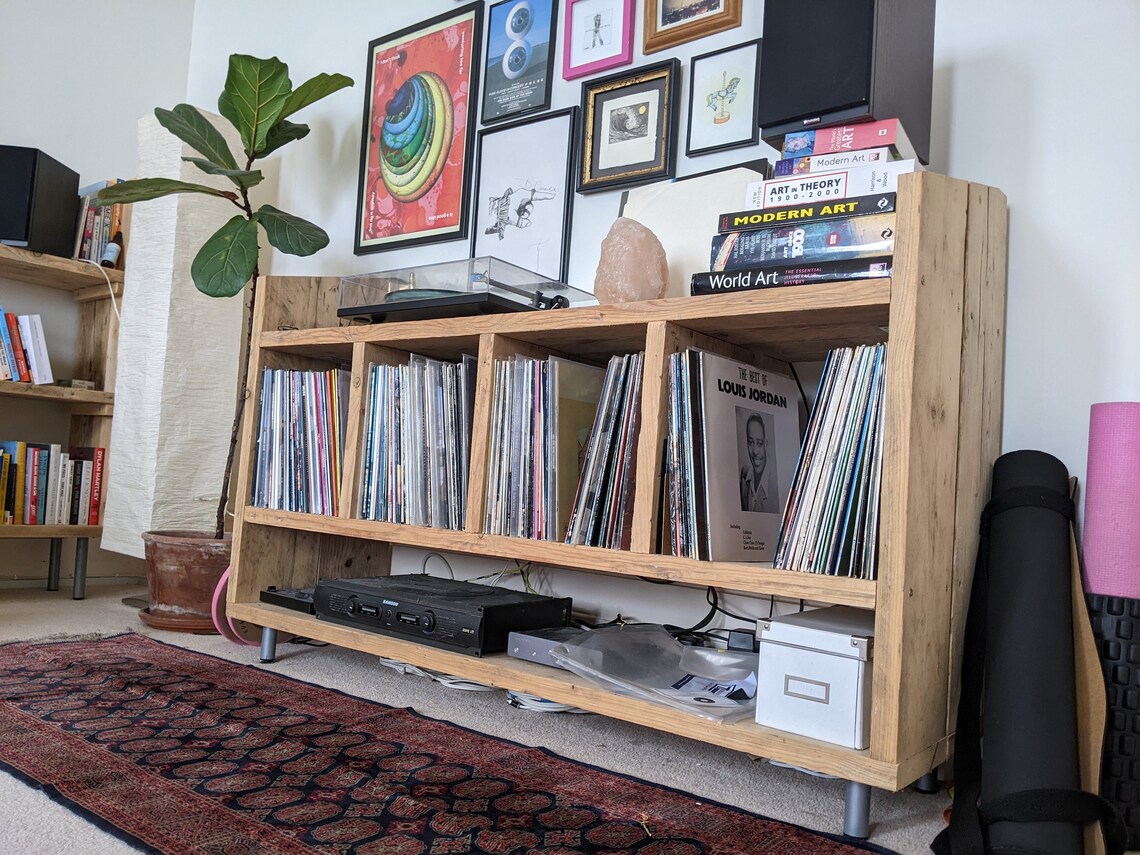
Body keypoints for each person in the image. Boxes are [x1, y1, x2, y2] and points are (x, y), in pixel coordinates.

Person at [739, 412, 776, 512]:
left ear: (766, 445)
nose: (755, 451)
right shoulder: (744, 476)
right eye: (750, 442)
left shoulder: (776, 484)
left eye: (759, 443)